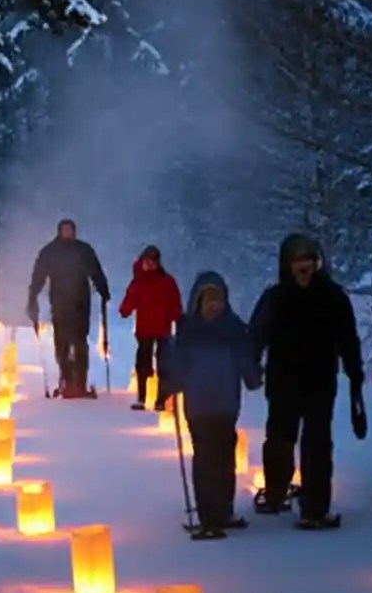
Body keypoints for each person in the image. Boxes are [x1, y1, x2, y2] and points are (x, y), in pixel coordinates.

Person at [249, 233, 366, 530]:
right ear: (287, 265)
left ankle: (315, 507)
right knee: (279, 440)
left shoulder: (333, 297)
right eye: (297, 260)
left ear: (317, 263)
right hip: (283, 381)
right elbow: (256, 336)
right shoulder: (275, 298)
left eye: (309, 260)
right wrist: (250, 366)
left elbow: (348, 340)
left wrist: (355, 376)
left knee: (317, 445)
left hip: (319, 383)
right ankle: (276, 492)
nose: (304, 266)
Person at [163, 271, 262, 540]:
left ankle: (224, 511)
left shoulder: (233, 329)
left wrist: (253, 376)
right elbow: (177, 364)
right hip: (199, 407)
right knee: (206, 459)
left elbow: (245, 360)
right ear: (198, 301)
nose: (214, 305)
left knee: (225, 459)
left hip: (227, 405)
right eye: (209, 299)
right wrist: (171, 381)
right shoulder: (188, 331)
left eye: (218, 299)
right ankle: (208, 515)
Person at [27, 218, 110, 398]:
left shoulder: (83, 250)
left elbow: (95, 271)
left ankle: (80, 382)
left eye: (70, 230)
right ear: (59, 231)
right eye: (64, 230)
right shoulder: (50, 252)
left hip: (80, 302)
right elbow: (39, 275)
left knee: (80, 342)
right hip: (60, 302)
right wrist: (33, 294)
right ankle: (66, 379)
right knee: (62, 342)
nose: (67, 233)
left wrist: (103, 289)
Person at [117, 245, 183, 411]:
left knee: (164, 365)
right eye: (147, 261)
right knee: (143, 364)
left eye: (153, 262)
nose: (150, 265)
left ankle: (161, 399)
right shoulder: (139, 282)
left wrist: (177, 315)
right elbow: (130, 299)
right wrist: (125, 309)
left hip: (163, 329)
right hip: (145, 330)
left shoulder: (167, 282)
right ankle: (142, 397)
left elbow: (174, 301)